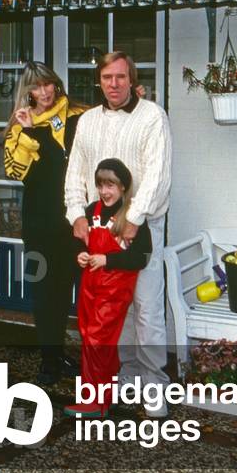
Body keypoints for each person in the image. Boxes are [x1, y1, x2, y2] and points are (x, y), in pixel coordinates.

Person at [63, 51, 172, 417]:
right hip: (99, 227)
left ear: (132, 79)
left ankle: (154, 384)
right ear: (99, 81)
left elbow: (157, 173)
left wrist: (134, 217)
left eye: (121, 77)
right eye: (107, 77)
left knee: (146, 308)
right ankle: (125, 375)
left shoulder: (152, 117)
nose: (114, 84)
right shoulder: (87, 121)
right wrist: (76, 214)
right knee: (110, 310)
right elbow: (75, 172)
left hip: (142, 226)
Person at [4, 61, 89, 385]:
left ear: (57, 83)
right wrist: (28, 133)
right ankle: (50, 361)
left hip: (77, 220)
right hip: (40, 225)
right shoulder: (19, 127)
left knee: (84, 293)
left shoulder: (80, 115)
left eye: (48, 83)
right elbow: (16, 172)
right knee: (46, 295)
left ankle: (96, 362)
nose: (44, 92)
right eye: (36, 87)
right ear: (27, 92)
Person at [64, 159, 151, 417]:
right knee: (88, 335)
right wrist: (80, 254)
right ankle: (106, 394)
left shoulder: (132, 216)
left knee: (97, 339)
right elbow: (77, 242)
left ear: (123, 186)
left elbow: (142, 257)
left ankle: (94, 402)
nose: (104, 191)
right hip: (90, 285)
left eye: (110, 185)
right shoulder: (91, 211)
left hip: (115, 289)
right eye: (101, 185)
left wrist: (108, 260)